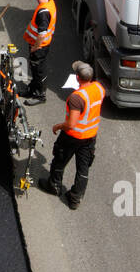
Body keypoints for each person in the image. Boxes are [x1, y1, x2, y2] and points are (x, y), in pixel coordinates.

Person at [41, 60, 105, 210]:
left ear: (77, 78)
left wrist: (58, 126)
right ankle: (75, 199)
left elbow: (71, 123)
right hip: (90, 137)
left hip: (72, 137)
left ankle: (54, 186)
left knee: (60, 160)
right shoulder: (99, 88)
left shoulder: (76, 98)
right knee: (83, 169)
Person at [22, 0, 56, 104]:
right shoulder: (49, 2)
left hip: (39, 47)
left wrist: (35, 47)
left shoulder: (43, 12)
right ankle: (32, 90)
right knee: (35, 69)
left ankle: (40, 96)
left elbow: (42, 34)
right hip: (41, 45)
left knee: (39, 71)